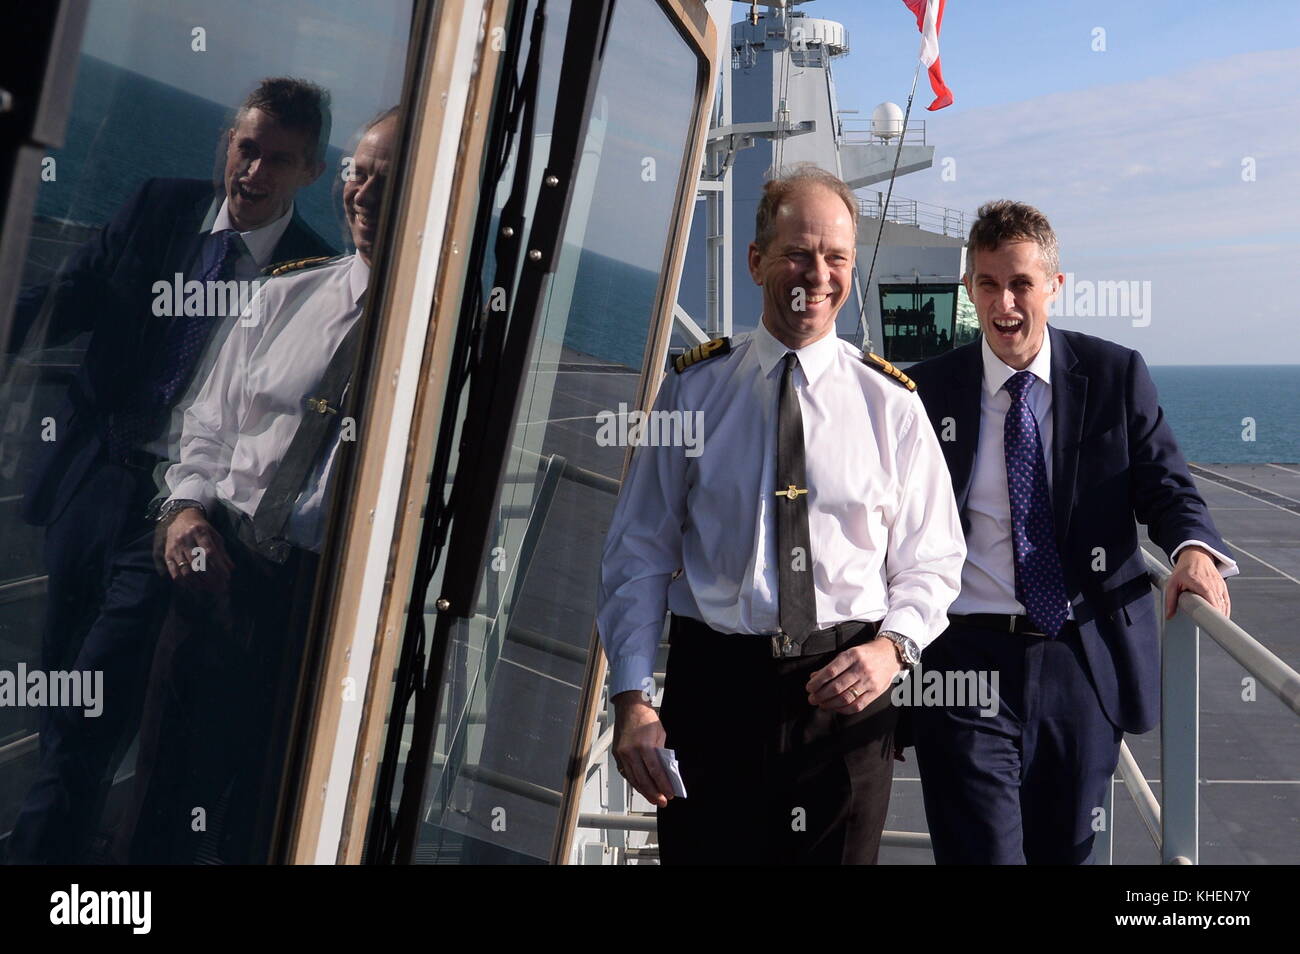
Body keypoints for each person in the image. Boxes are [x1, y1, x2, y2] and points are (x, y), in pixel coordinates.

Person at [5, 77, 335, 864]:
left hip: (180, 520)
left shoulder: (313, 274)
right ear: (229, 139)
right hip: (92, 484)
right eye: (246, 150)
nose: (253, 174)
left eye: (278, 163)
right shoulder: (160, 207)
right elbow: (73, 294)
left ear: (310, 173)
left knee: (90, 714)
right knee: (61, 699)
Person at [597, 165, 966, 865]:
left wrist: (894, 649)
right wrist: (631, 700)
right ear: (756, 260)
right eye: (798, 252)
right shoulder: (693, 394)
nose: (816, 274)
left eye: (836, 258)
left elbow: (934, 557)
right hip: (714, 696)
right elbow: (637, 553)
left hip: (846, 697)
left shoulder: (891, 405)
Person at [907, 199, 1237, 864]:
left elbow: (1165, 483)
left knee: (1068, 854)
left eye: (1021, 283)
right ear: (970, 288)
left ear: (1055, 286)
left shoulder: (1115, 376)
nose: (1005, 304)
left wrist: (1195, 550)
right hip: (965, 657)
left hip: (1080, 660)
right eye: (989, 284)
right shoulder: (925, 391)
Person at [118, 107, 399, 864]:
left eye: (388, 175)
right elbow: (205, 426)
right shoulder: (284, 297)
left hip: (324, 614)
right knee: (159, 797)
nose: (364, 193)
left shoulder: (449, 348)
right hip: (225, 574)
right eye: (358, 172)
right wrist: (182, 512)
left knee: (267, 824)